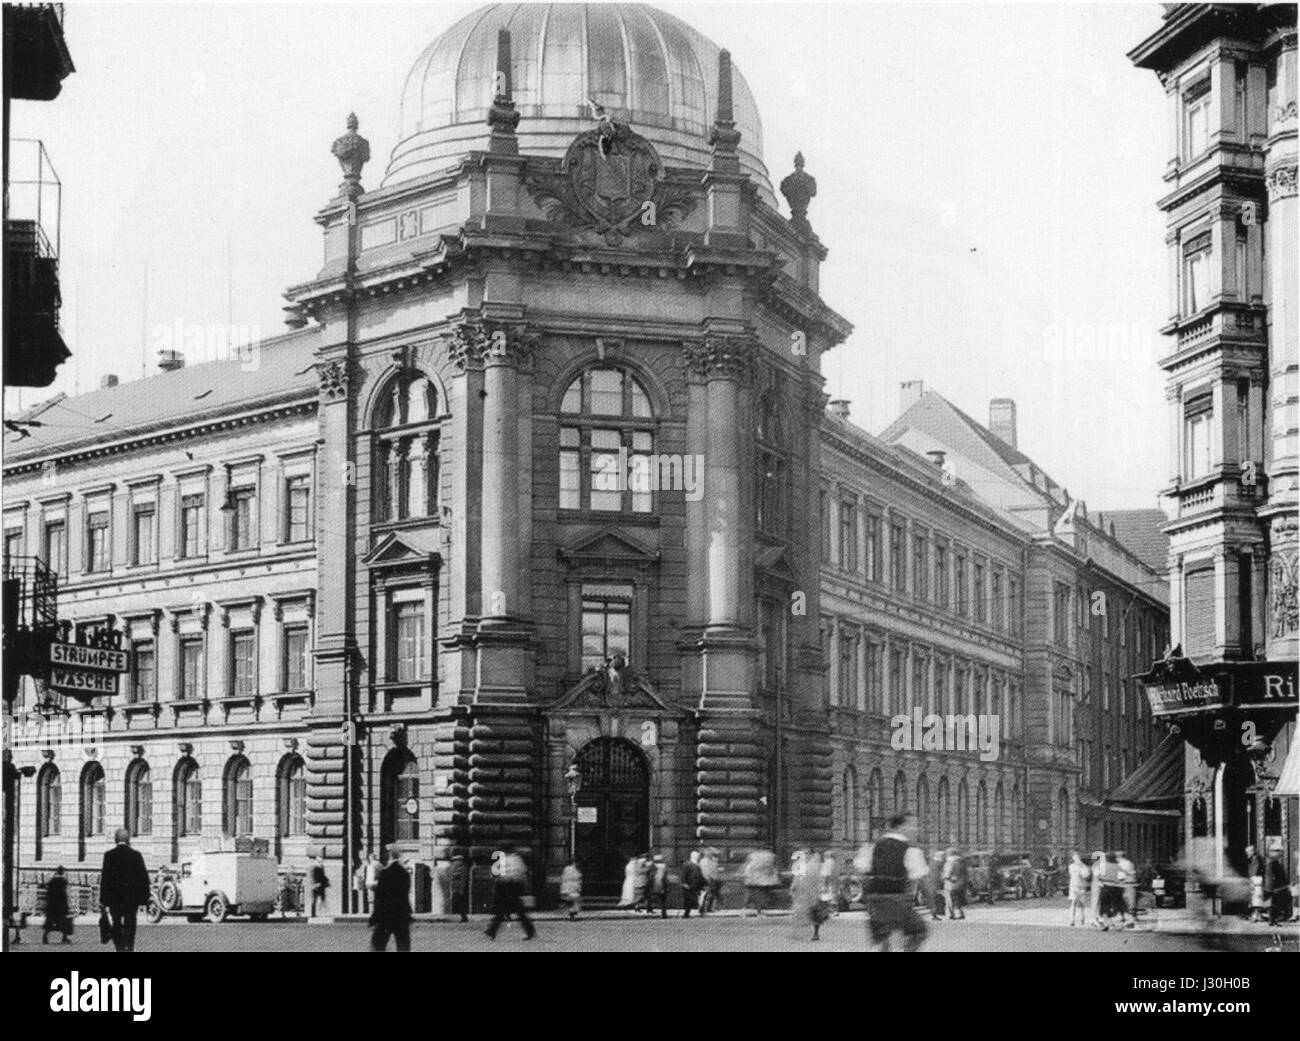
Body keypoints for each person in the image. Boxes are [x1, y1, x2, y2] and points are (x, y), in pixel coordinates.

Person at [859, 812, 929, 951]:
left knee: (880, 938)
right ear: (900, 826)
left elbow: (862, 872)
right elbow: (921, 879)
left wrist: (868, 898)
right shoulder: (911, 850)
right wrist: (931, 902)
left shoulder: (872, 847)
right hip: (897, 900)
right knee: (919, 930)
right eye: (912, 825)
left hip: (875, 902)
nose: (916, 829)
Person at [99, 827, 150, 952]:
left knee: (116, 923)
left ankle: (120, 948)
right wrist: (144, 898)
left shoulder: (109, 855)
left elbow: (105, 879)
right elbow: (144, 878)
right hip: (131, 899)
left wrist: (103, 900)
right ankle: (130, 947)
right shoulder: (136, 855)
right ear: (128, 840)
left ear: (115, 840)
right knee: (131, 923)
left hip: (115, 899)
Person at [485, 846, 535, 941]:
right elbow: (522, 873)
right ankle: (530, 931)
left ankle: (492, 930)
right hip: (514, 886)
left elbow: (494, 874)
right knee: (520, 912)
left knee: (501, 911)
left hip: (504, 886)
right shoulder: (517, 859)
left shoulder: (502, 860)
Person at [370, 847, 414, 952]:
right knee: (403, 945)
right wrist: (408, 913)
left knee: (379, 944)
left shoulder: (384, 873)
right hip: (401, 914)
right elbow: (404, 895)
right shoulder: (404, 873)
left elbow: (379, 896)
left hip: (386, 914)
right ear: (400, 857)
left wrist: (375, 915)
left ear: (390, 857)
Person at [743, 849, 779, 916]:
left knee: (751, 896)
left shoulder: (752, 862)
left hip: (753, 882)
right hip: (761, 882)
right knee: (759, 897)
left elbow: (747, 871)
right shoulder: (769, 859)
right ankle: (756, 911)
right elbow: (772, 871)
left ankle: (747, 910)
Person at [42, 866, 72, 945]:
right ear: (62, 872)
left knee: (50, 922)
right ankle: (64, 938)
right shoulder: (63, 881)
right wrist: (67, 906)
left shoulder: (52, 880)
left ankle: (45, 938)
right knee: (64, 922)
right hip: (60, 906)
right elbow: (64, 894)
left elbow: (48, 894)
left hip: (51, 906)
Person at [1264, 849, 1292, 926]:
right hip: (1274, 888)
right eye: (1280, 856)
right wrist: (1276, 886)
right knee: (1273, 904)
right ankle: (1272, 920)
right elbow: (1273, 877)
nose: (1281, 857)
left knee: (1273, 904)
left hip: (1274, 887)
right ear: (1276, 857)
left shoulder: (1273, 864)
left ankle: (1272, 920)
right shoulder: (1273, 864)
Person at [1067, 850, 1091, 927]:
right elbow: (1072, 875)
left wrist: (1081, 868)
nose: (1076, 859)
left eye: (1078, 857)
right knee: (1073, 903)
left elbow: (1086, 875)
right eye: (1075, 857)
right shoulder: (1071, 866)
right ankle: (1072, 920)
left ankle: (1082, 918)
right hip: (1073, 887)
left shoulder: (1084, 866)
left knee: (1081, 904)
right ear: (1073, 858)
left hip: (1081, 887)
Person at [1116, 850, 1138, 928]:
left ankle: (1127, 919)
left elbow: (1121, 876)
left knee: (1125, 902)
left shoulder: (1121, 864)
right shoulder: (1129, 863)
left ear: (1118, 857)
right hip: (1131, 884)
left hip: (1125, 884)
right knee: (1130, 902)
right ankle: (1130, 918)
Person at [942, 848, 966, 920]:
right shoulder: (961, 862)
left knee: (950, 899)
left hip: (951, 884)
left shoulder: (950, 862)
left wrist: (944, 876)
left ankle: (952, 914)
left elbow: (948, 874)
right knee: (958, 899)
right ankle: (960, 913)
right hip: (960, 883)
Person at [1245, 844, 1266, 923]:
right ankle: (1257, 915)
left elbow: (1255, 870)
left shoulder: (1255, 859)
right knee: (1256, 898)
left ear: (1252, 851)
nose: (1247, 853)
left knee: (1256, 898)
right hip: (1256, 879)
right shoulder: (1255, 859)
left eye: (1248, 852)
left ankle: (1256, 915)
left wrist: (1251, 880)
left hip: (1256, 880)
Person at [681, 850, 705, 918]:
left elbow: (699, 876)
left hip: (693, 885)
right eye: (697, 856)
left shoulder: (692, 864)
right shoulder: (691, 865)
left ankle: (687, 914)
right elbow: (684, 875)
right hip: (691, 885)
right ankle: (687, 914)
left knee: (691, 900)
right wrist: (684, 883)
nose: (698, 857)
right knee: (691, 900)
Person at [700, 848, 722, 914]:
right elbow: (709, 872)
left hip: (711, 880)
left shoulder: (707, 861)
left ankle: (708, 908)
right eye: (713, 855)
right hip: (710, 880)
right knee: (709, 895)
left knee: (710, 895)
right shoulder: (707, 861)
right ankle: (706, 908)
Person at [448, 854, 469, 922]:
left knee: (460, 902)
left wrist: (461, 889)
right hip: (457, 888)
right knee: (459, 902)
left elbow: (462, 879)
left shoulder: (460, 867)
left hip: (459, 888)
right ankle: (463, 917)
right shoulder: (462, 867)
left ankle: (464, 917)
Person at [928, 848, 947, 921]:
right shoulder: (937, 864)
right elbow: (937, 876)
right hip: (935, 884)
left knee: (936, 899)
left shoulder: (934, 864)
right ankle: (934, 915)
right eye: (943, 857)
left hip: (934, 884)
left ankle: (937, 913)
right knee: (935, 899)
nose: (944, 859)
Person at [365, 852, 382, 917]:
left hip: (370, 883)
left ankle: (371, 912)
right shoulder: (379, 864)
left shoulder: (370, 865)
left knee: (371, 899)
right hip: (377, 883)